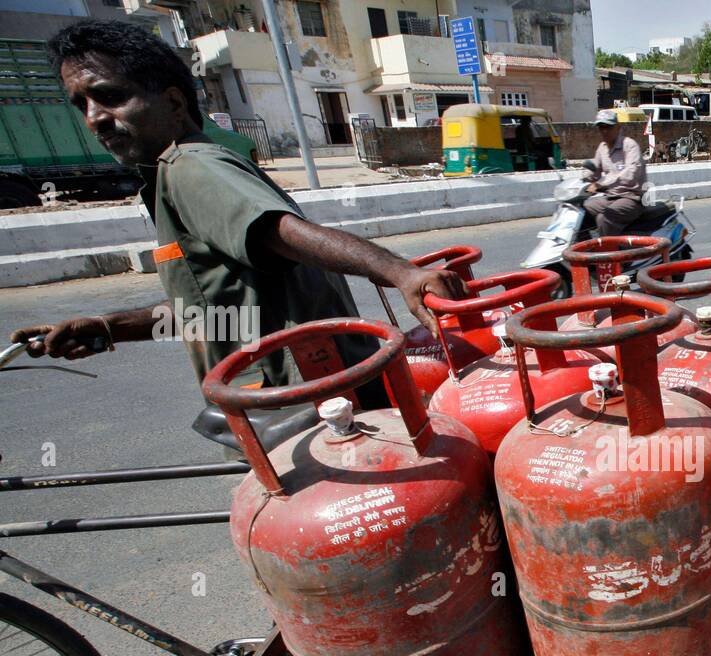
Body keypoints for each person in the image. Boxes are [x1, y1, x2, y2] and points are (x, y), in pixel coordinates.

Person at [9, 20, 466, 400]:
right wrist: (111, 327)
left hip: (303, 404)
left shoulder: (188, 165)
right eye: (82, 105)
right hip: (302, 392)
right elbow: (216, 310)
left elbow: (280, 230)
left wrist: (399, 271)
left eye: (109, 96)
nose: (94, 118)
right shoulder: (178, 174)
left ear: (172, 102)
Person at [585, 108, 646, 237]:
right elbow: (594, 171)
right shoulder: (602, 147)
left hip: (631, 197)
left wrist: (601, 183)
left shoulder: (629, 145)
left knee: (604, 218)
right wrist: (584, 178)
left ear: (618, 127)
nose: (604, 131)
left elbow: (631, 173)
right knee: (581, 210)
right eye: (601, 127)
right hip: (610, 197)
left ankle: (606, 254)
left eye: (608, 127)